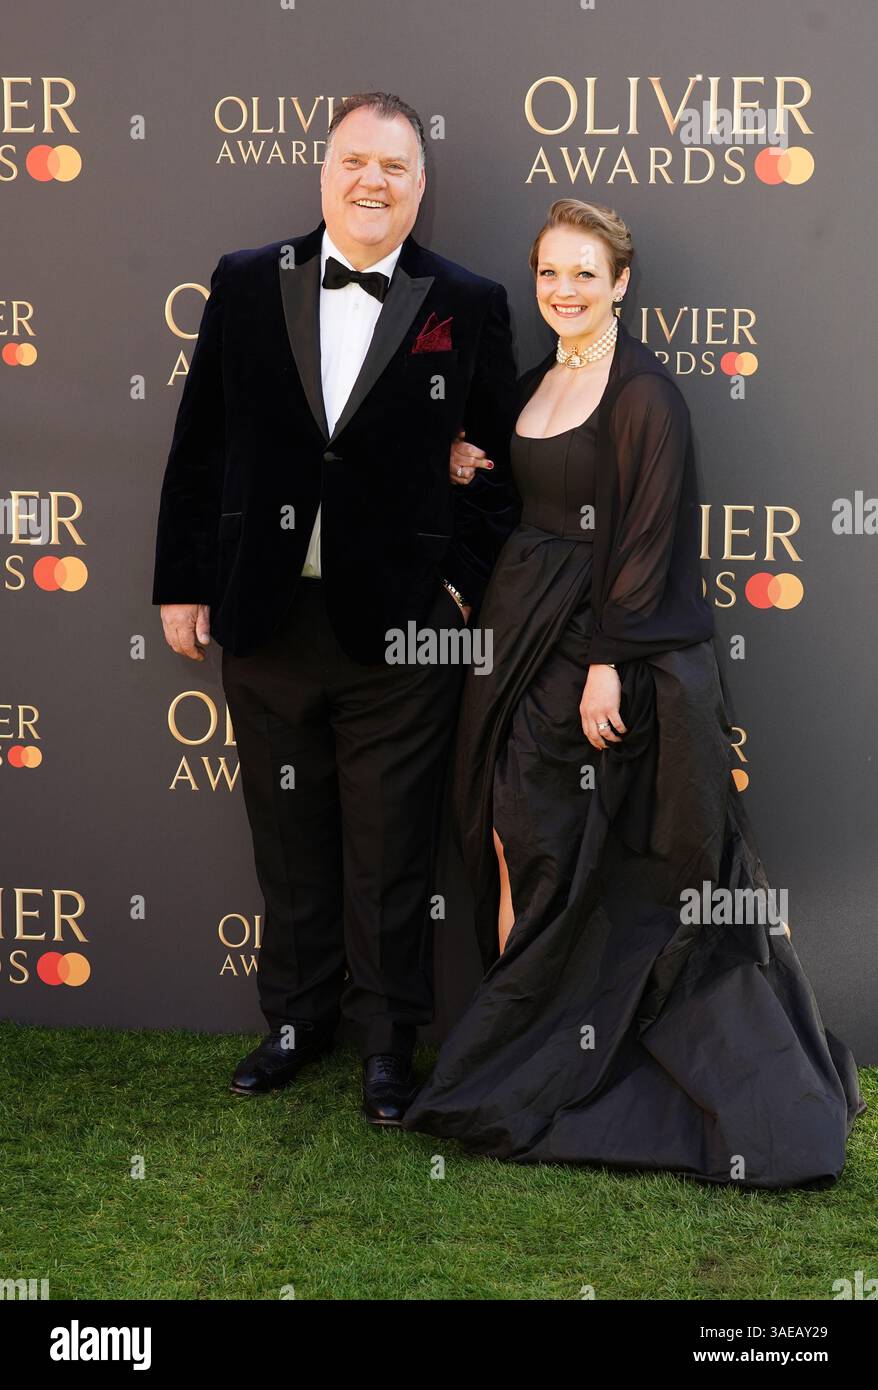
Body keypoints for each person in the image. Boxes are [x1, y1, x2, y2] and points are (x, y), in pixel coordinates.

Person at [405, 198, 866, 1188]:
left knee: (542, 833)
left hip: (591, 641)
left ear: (619, 283)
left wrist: (608, 661)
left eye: (582, 273)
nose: (561, 290)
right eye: (547, 274)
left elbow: (648, 538)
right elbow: (518, 495)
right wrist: (463, 463)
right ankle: (506, 1039)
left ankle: (543, 1058)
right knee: (495, 828)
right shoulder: (535, 383)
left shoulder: (644, 394)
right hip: (511, 635)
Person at [152, 92, 519, 1125]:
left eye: (393, 167)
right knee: (287, 838)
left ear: (419, 186)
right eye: (354, 161)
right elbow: (200, 443)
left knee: (391, 845)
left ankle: (386, 1044)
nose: (372, 181)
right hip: (265, 614)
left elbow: (498, 470)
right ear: (323, 171)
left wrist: (457, 588)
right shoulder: (242, 281)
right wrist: (183, 581)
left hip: (400, 627)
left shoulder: (469, 301)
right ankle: (293, 1021)